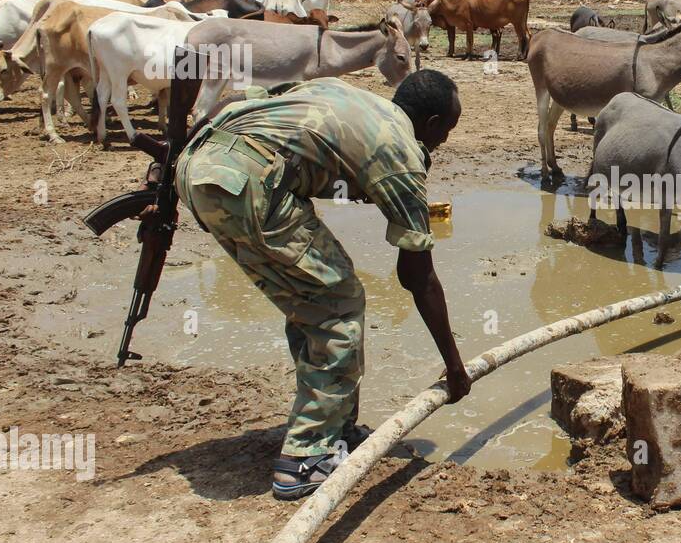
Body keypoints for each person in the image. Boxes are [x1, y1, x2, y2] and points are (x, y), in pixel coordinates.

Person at [174, 69, 471, 500]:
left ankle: (336, 429)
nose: (445, 141)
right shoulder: (401, 152)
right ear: (431, 123)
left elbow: (236, 101)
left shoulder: (347, 96)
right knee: (339, 305)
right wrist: (455, 365)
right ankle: (305, 459)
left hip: (201, 168)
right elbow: (416, 275)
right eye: (448, 129)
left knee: (312, 300)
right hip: (251, 184)